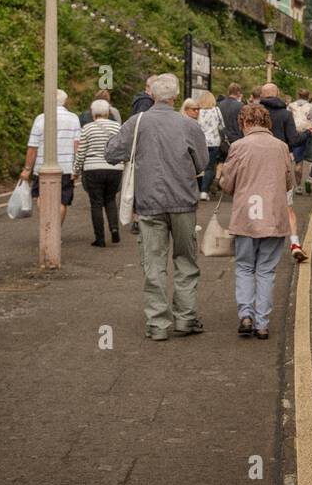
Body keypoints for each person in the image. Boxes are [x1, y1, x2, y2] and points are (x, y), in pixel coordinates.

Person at [105, 73, 209, 340]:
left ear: (152, 95)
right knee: (186, 261)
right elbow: (202, 163)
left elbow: (111, 152)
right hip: (183, 202)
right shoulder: (189, 125)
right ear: (175, 97)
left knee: (153, 264)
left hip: (149, 203)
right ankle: (185, 319)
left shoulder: (136, 122)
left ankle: (158, 324)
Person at [216, 103, 294, 341]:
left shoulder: (238, 146)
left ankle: (246, 316)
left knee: (245, 267)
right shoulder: (281, 147)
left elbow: (228, 184)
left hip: (247, 217)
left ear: (245, 123)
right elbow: (289, 182)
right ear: (266, 123)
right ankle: (262, 324)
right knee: (266, 270)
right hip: (272, 217)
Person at [259, 83, 308, 261]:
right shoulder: (286, 114)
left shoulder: (255, 113)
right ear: (278, 94)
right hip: (281, 164)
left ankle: (262, 243)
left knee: (261, 203)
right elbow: (294, 140)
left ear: (262, 96)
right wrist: (307, 134)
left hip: (259, 165)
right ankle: (295, 243)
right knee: (287, 207)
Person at [20, 89, 81, 229]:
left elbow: (33, 147)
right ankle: (55, 231)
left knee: (42, 197)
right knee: (62, 201)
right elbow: (77, 145)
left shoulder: (41, 118)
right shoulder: (73, 118)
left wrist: (27, 169)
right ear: (64, 101)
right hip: (66, 167)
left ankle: (48, 228)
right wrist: (76, 167)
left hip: (42, 167)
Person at [74, 98, 123, 247]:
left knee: (96, 203)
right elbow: (123, 148)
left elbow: (81, 152)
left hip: (93, 169)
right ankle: (114, 229)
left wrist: (76, 170)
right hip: (114, 168)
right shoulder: (118, 127)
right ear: (108, 112)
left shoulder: (87, 128)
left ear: (93, 113)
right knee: (110, 200)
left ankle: (100, 239)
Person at [187, 92, 224, 200]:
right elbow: (222, 126)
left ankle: (197, 190)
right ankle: (204, 191)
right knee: (209, 167)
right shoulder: (216, 110)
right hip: (214, 142)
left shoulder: (198, 112)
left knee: (198, 166)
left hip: (201, 142)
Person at [217, 83, 244, 147]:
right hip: (237, 139)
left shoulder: (219, 105)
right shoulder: (241, 106)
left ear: (228, 92)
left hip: (222, 139)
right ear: (238, 93)